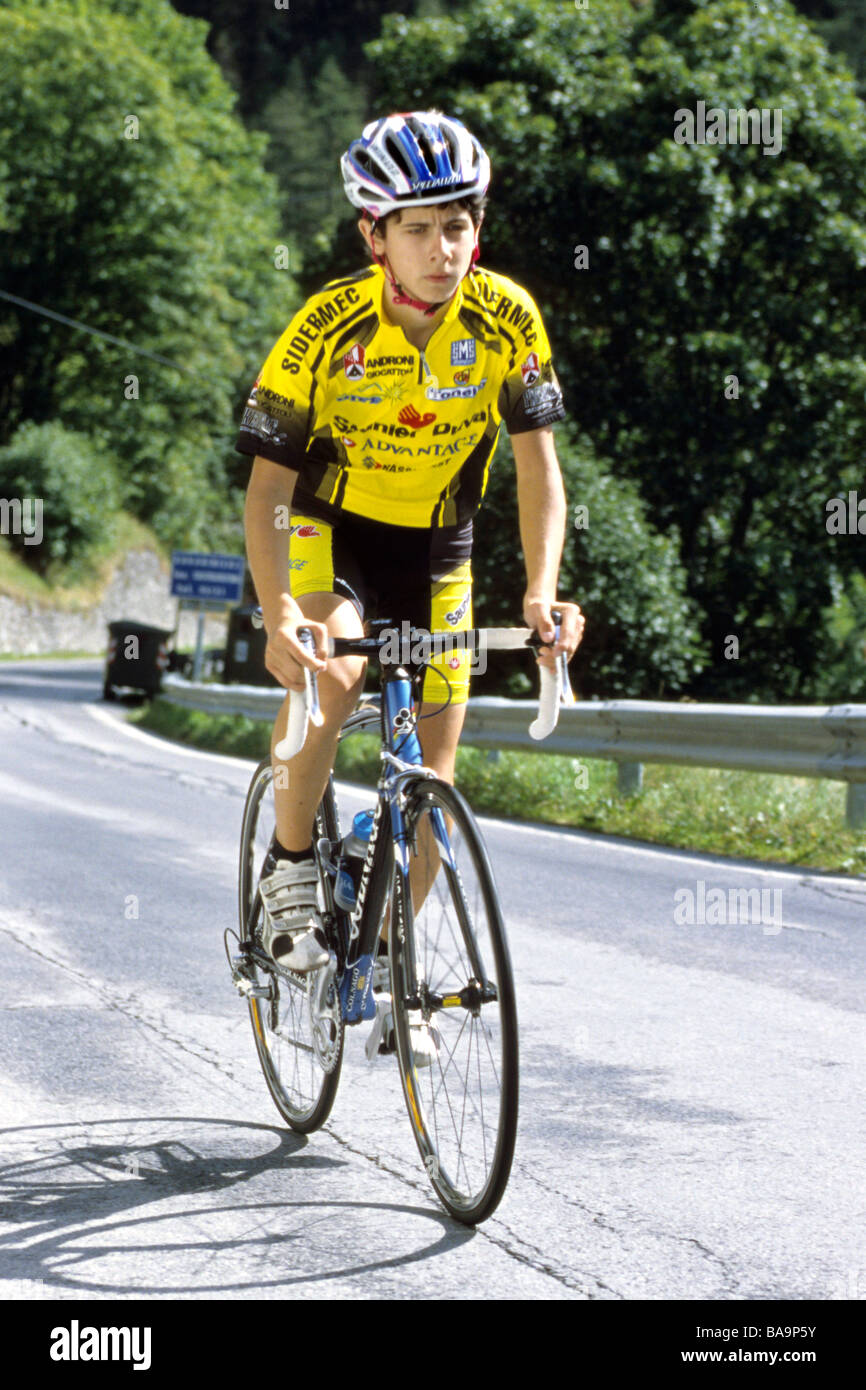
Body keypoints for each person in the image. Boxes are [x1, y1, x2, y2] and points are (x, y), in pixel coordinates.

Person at [237, 110, 585, 974]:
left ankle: (388, 965)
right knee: (337, 667)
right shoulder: (325, 327)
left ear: (479, 229)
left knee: (436, 783)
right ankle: (287, 868)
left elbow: (538, 469)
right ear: (375, 236)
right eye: (418, 229)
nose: (442, 248)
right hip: (331, 524)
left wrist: (541, 591)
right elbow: (269, 488)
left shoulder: (509, 318)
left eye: (458, 226)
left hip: (439, 544)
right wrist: (279, 609)